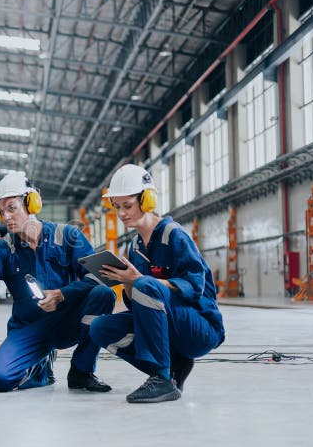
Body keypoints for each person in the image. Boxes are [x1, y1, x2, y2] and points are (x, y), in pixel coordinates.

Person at [0, 171, 116, 392]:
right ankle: (41, 369)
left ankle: (82, 372)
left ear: (31, 204)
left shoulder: (68, 236)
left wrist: (63, 295)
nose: (6, 217)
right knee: (1, 379)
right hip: (29, 328)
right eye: (1, 211)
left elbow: (96, 276)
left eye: (11, 208)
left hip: (68, 320)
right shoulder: (6, 247)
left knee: (103, 295)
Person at [89, 164, 225, 403]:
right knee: (100, 327)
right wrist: (126, 282)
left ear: (147, 200)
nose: (121, 213)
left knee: (145, 285)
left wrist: (140, 281)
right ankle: (173, 365)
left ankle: (161, 379)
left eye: (127, 206)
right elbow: (140, 306)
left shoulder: (174, 235)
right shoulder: (135, 246)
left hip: (200, 327)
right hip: (172, 327)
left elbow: (194, 287)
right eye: (117, 207)